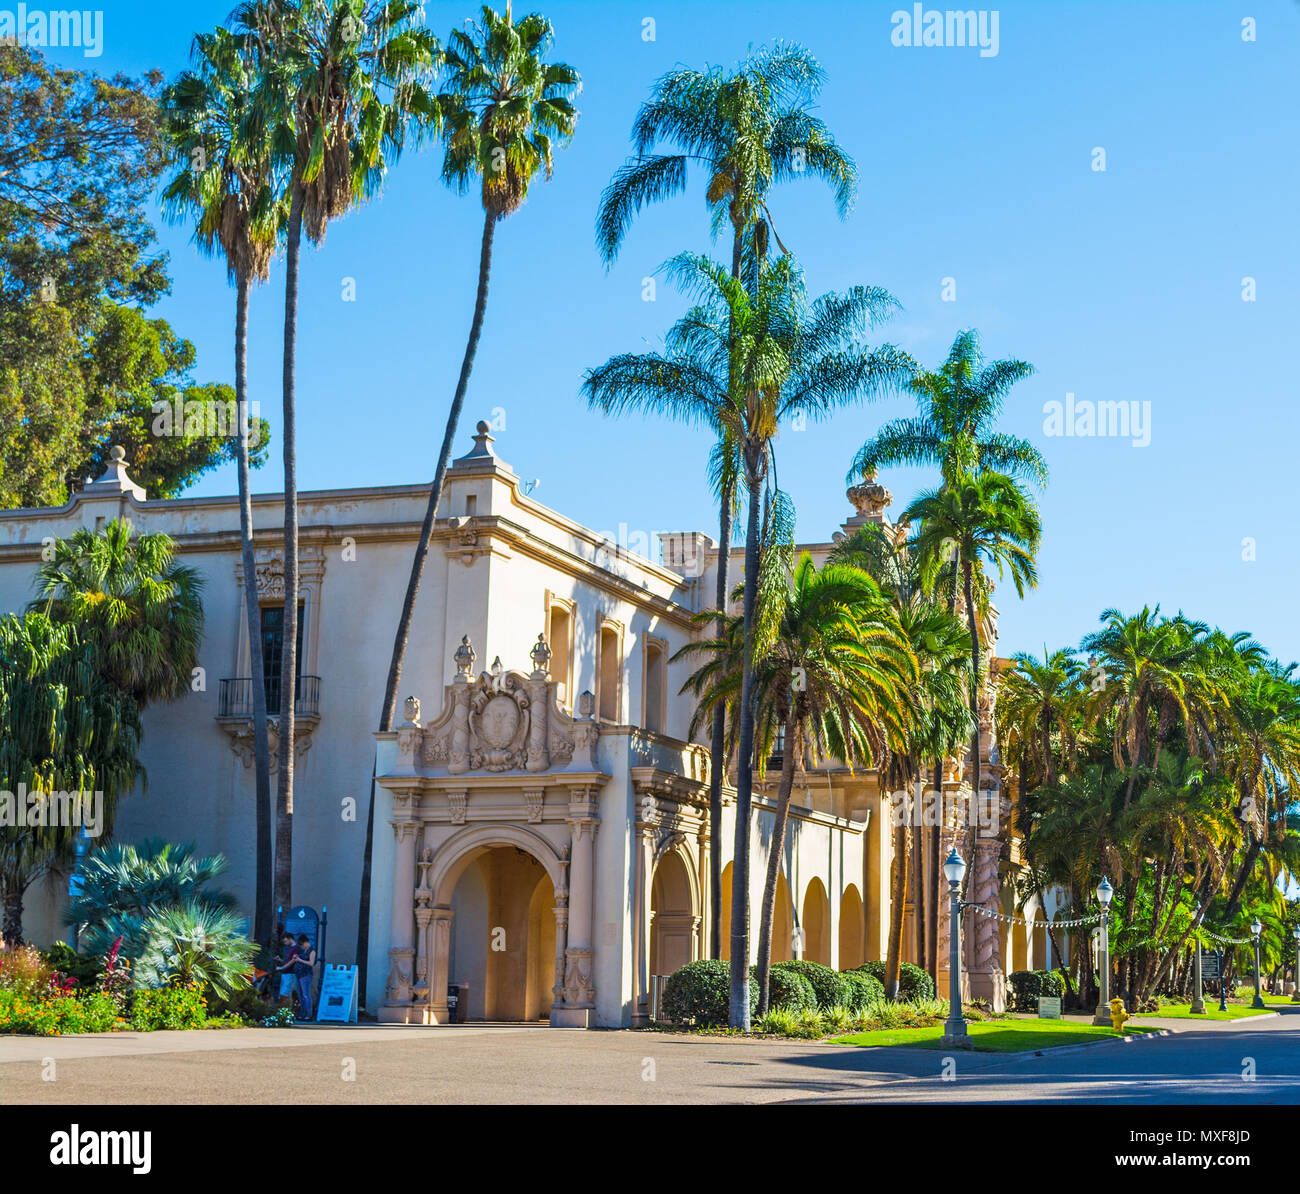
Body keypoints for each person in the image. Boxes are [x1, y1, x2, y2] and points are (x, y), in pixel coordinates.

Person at [294, 933, 317, 1021]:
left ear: (305, 942)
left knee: (306, 995)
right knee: (301, 995)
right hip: (299, 975)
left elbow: (311, 963)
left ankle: (308, 1014)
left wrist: (300, 960)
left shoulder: (312, 951)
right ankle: (302, 1013)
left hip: (306, 975)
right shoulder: (304, 951)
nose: (302, 946)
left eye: (302, 944)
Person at [275, 932, 298, 1011]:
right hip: (285, 973)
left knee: (285, 993)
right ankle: (284, 1010)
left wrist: (281, 967)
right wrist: (280, 961)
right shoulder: (289, 949)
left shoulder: (296, 948)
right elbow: (288, 961)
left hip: (290, 974)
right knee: (284, 992)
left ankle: (286, 1011)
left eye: (285, 941)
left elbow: (293, 961)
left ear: (290, 939)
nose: (285, 943)